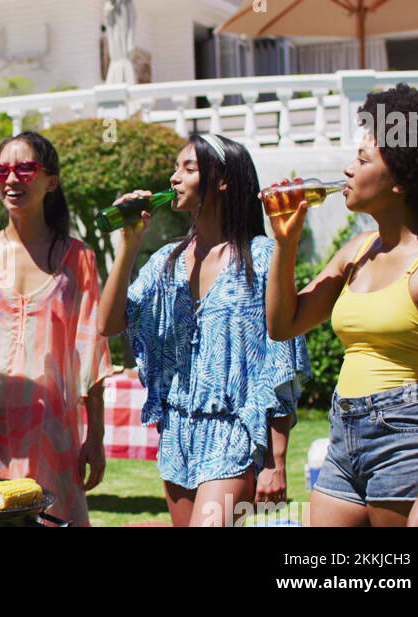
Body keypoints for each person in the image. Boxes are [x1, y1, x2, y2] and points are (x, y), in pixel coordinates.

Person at [265, 84, 418, 527]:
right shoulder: (356, 250)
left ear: (402, 180)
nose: (347, 170)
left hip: (411, 438)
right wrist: (285, 243)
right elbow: (283, 324)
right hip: (344, 434)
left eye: (362, 159)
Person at [98, 133, 310, 527]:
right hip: (177, 429)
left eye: (188, 168)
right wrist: (128, 243)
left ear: (223, 179)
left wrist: (276, 460)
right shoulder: (167, 261)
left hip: (235, 430)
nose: (174, 178)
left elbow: (282, 359)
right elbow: (109, 324)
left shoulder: (262, 259)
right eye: (176, 168)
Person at [0, 132, 113, 526]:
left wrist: (95, 437)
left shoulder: (78, 258)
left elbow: (91, 352)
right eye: (1, 170)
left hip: (51, 433)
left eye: (25, 168)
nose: (11, 179)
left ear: (52, 180)